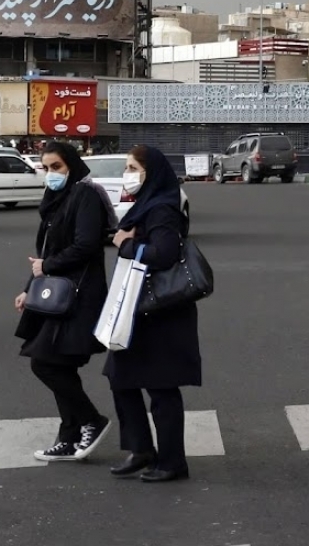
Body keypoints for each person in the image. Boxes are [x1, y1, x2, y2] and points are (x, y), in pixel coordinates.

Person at [105, 145, 202, 483]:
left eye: (133, 168)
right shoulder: (145, 204)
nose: (127, 174)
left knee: (161, 389)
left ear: (152, 171)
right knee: (121, 378)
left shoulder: (162, 209)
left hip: (160, 311)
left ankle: (173, 462)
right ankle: (142, 449)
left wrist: (126, 245)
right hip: (138, 307)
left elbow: (164, 254)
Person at [13, 141, 113, 462]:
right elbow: (47, 253)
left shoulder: (84, 195)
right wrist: (30, 288)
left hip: (78, 296)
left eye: (56, 167)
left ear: (72, 164)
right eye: (46, 168)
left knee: (45, 362)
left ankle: (91, 421)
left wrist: (46, 269)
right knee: (58, 365)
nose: (51, 174)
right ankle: (69, 437)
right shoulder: (58, 199)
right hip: (58, 294)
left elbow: (86, 245)